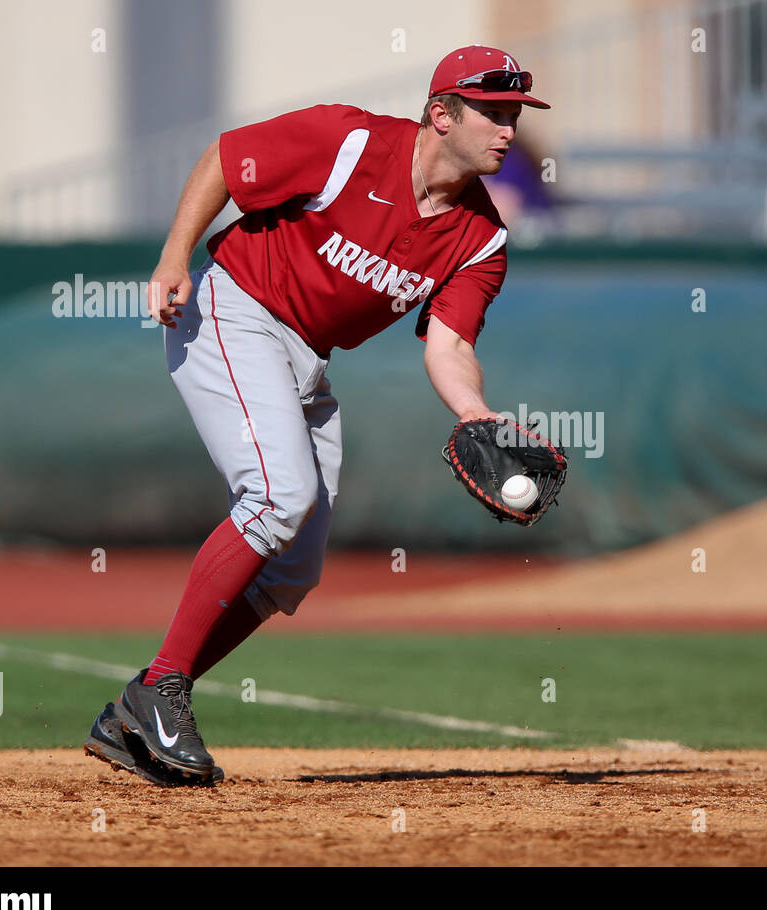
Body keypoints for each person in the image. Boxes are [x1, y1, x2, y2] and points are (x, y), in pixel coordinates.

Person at [84, 45, 550, 785]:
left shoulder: (480, 236)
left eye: (514, 116)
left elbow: (451, 342)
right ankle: (162, 688)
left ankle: (138, 704)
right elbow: (224, 162)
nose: (507, 130)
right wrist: (174, 257)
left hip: (304, 355)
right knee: (278, 497)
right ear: (441, 114)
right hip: (233, 311)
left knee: (290, 571)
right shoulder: (351, 142)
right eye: (492, 112)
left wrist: (476, 415)